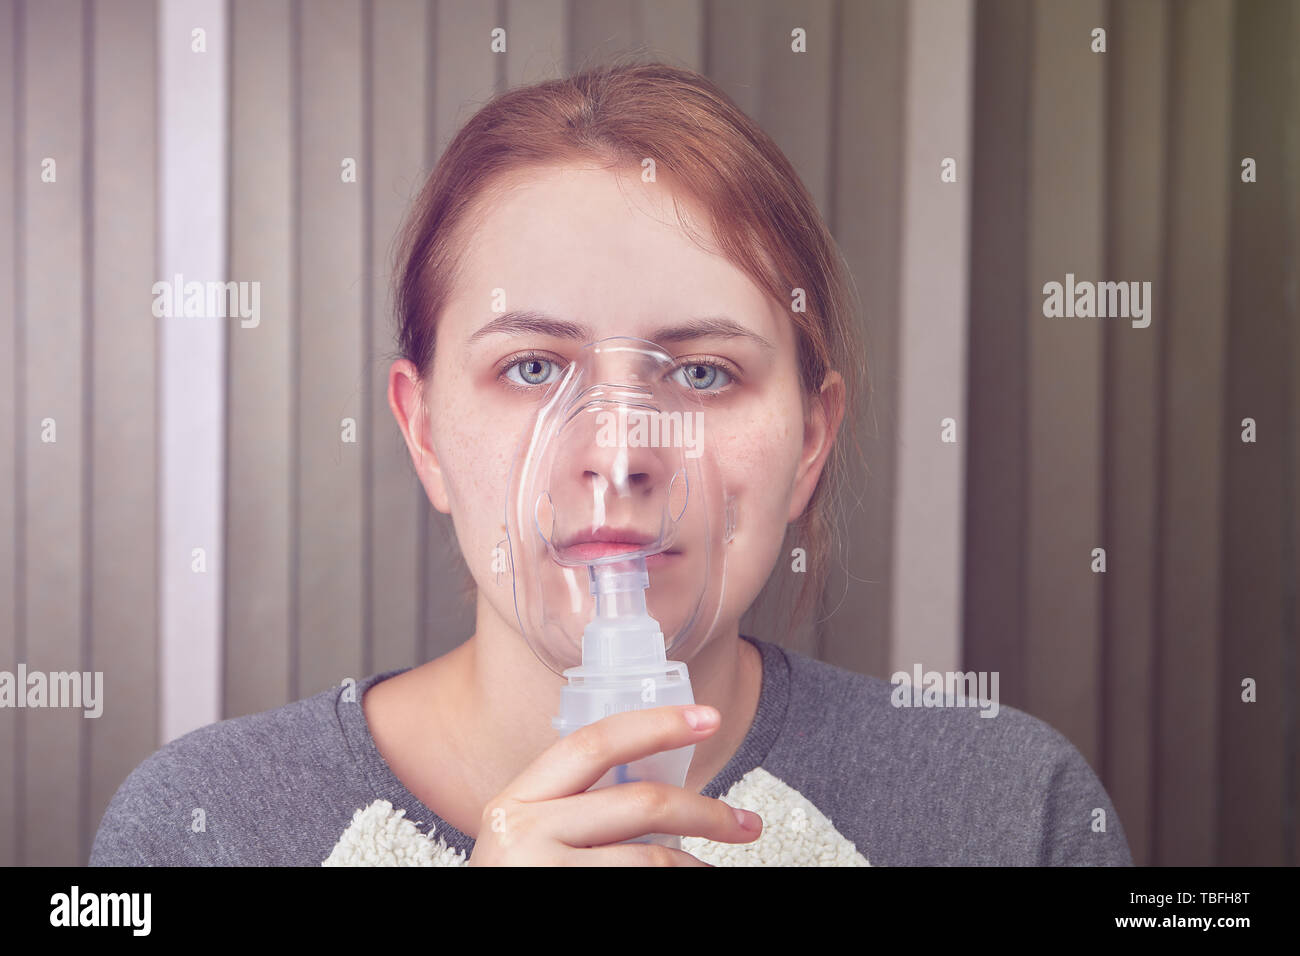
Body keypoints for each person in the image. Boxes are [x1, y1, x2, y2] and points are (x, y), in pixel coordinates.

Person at [90, 61, 1132, 867]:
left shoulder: (1006, 810)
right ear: (422, 432)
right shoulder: (202, 827)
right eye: (533, 365)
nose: (622, 452)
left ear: (808, 442)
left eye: (705, 373)